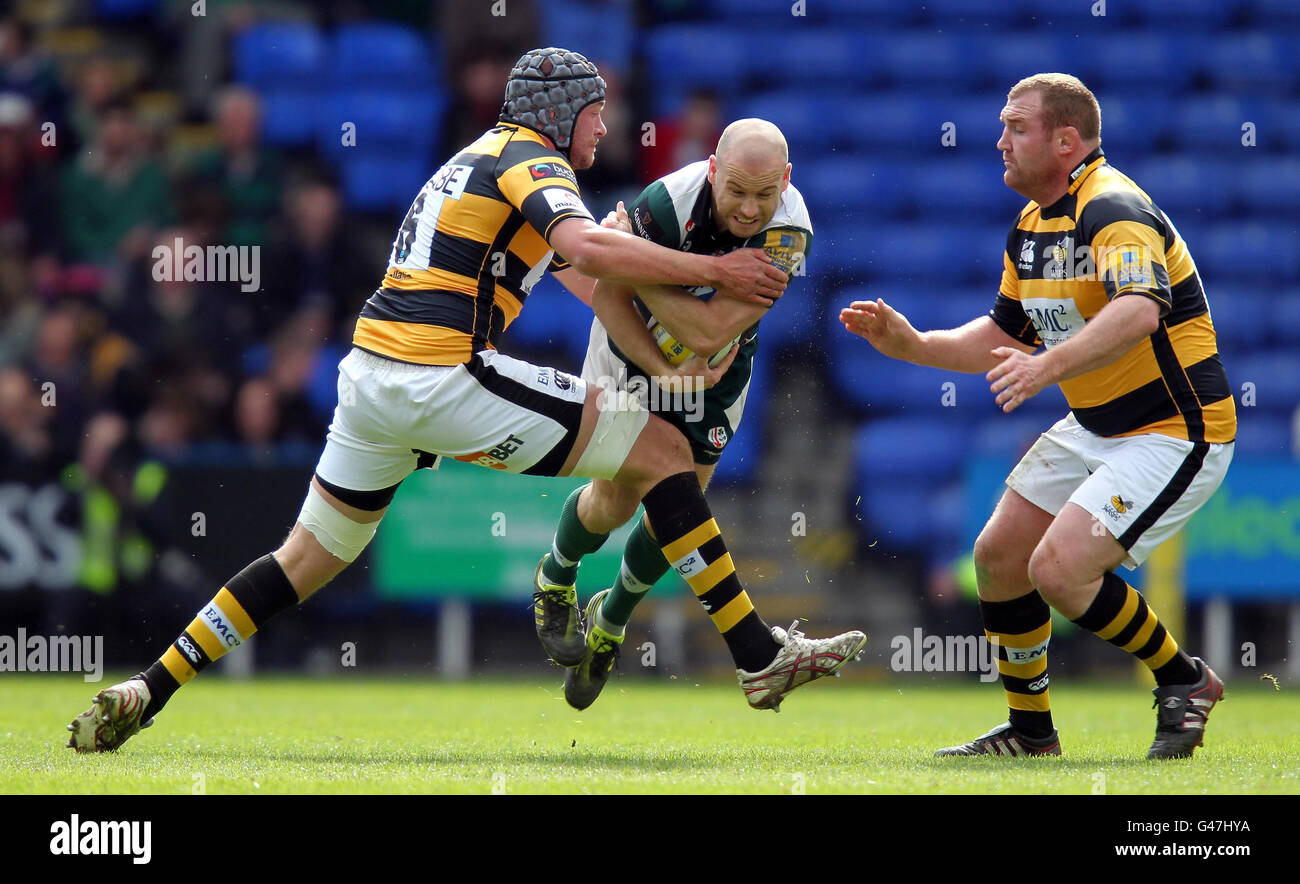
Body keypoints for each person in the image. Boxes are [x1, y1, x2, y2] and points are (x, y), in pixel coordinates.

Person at [65, 48, 854, 753]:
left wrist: (661, 337)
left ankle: (150, 685)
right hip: (439, 371)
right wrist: (714, 273)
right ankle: (756, 656)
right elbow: (584, 248)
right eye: (597, 114)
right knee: (665, 454)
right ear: (566, 116)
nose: (603, 129)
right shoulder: (531, 159)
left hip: (371, 378)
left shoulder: (473, 158)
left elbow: (585, 276)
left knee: (301, 561)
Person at [840, 73, 1234, 760]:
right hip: (1098, 425)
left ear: (1065, 140)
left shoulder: (1112, 205)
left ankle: (1183, 679)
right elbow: (1007, 337)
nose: (1000, 141)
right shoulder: (1031, 225)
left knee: (1059, 572)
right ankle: (1031, 734)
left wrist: (1047, 367)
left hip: (1176, 429)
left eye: (1015, 128)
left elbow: (1142, 307)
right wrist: (915, 345)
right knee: (997, 559)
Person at [532, 118, 861, 712]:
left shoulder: (790, 230)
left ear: (786, 182)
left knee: (675, 513)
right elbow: (607, 296)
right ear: (712, 170)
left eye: (765, 193)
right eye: (737, 190)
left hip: (714, 375)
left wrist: (639, 266)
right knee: (615, 503)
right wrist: (661, 359)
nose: (749, 208)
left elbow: (708, 333)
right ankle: (555, 576)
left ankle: (610, 620)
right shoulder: (665, 203)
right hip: (628, 351)